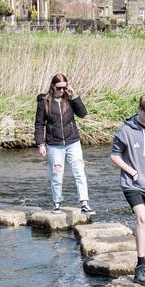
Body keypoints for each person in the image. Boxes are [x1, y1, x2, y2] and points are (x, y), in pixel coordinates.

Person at [110, 94, 145, 287]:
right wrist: (132, 172)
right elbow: (114, 156)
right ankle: (140, 268)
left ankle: (144, 264)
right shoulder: (125, 131)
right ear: (139, 109)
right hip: (132, 183)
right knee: (141, 218)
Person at [34, 73, 91, 214]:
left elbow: (83, 113)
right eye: (59, 88)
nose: (61, 90)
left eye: (64, 87)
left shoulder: (70, 99)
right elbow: (39, 124)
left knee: (79, 172)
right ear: (53, 86)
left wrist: (75, 96)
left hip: (73, 142)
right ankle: (57, 203)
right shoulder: (44, 102)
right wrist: (41, 144)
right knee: (57, 174)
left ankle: (84, 203)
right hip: (54, 144)